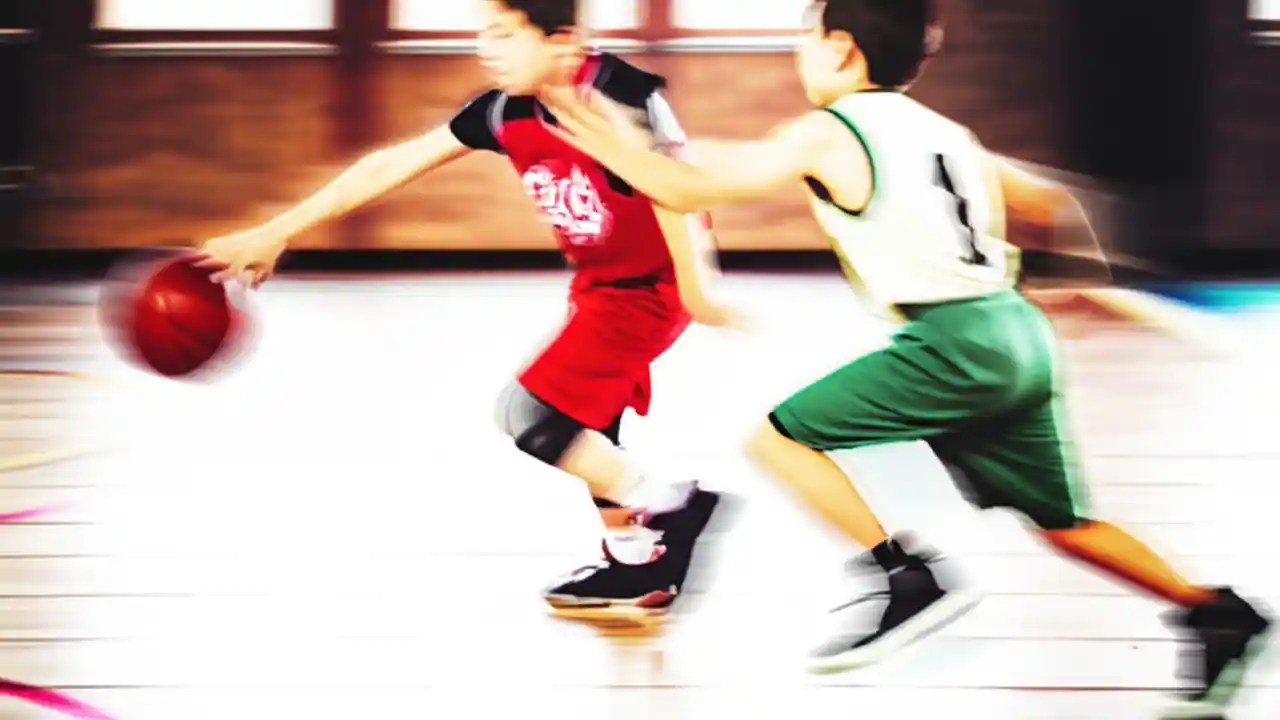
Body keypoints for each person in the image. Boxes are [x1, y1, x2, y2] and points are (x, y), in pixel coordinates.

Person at [537, 0, 1270, 714]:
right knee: (1062, 524)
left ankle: (904, 577)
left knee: (777, 438)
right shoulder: (945, 132)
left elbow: (684, 185)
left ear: (843, 50)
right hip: (1015, 332)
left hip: (955, 345)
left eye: (805, 34)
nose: (800, 50)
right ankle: (1214, 612)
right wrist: (1078, 285)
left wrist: (586, 128)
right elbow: (1055, 205)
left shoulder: (830, 129)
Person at [197, 0, 738, 618]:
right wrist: (279, 229)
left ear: (561, 39)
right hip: (600, 282)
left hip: (654, 285)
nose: (486, 47)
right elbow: (393, 162)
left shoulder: (620, 94)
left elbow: (678, 194)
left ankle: (674, 506)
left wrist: (699, 289)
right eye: (483, 32)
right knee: (589, 425)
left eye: (504, 33)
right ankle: (636, 563)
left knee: (530, 413)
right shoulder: (505, 112)